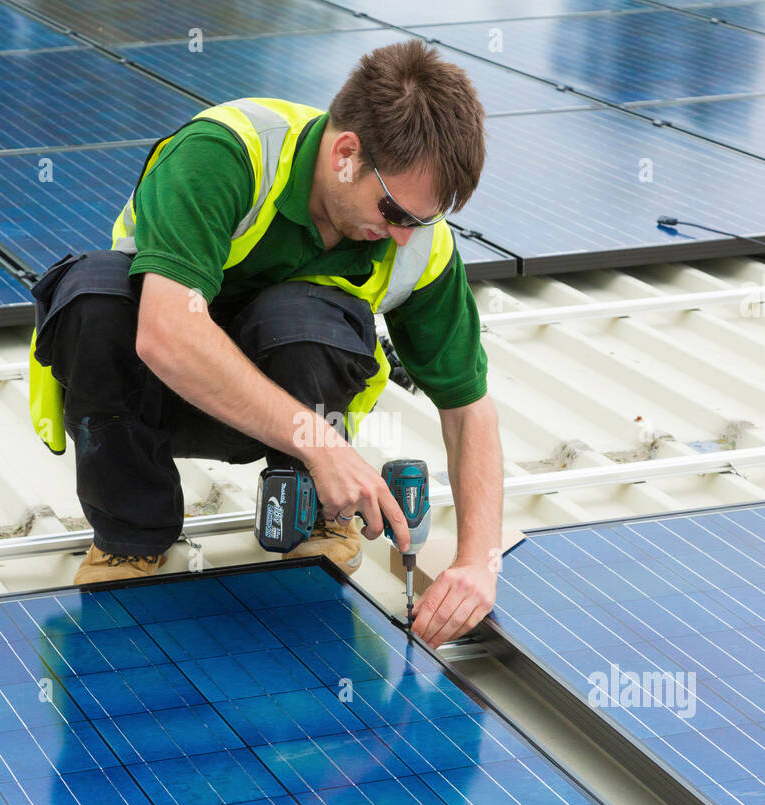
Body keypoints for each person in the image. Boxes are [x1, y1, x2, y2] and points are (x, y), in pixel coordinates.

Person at [28, 39, 503, 648]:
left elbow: (470, 409)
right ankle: (130, 535)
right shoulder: (228, 153)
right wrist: (323, 445)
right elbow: (167, 334)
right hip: (146, 400)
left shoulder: (420, 247)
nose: (404, 237)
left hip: (288, 420)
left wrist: (476, 563)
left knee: (307, 316)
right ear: (346, 154)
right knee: (93, 295)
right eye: (394, 212)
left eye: (422, 220)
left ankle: (308, 515)